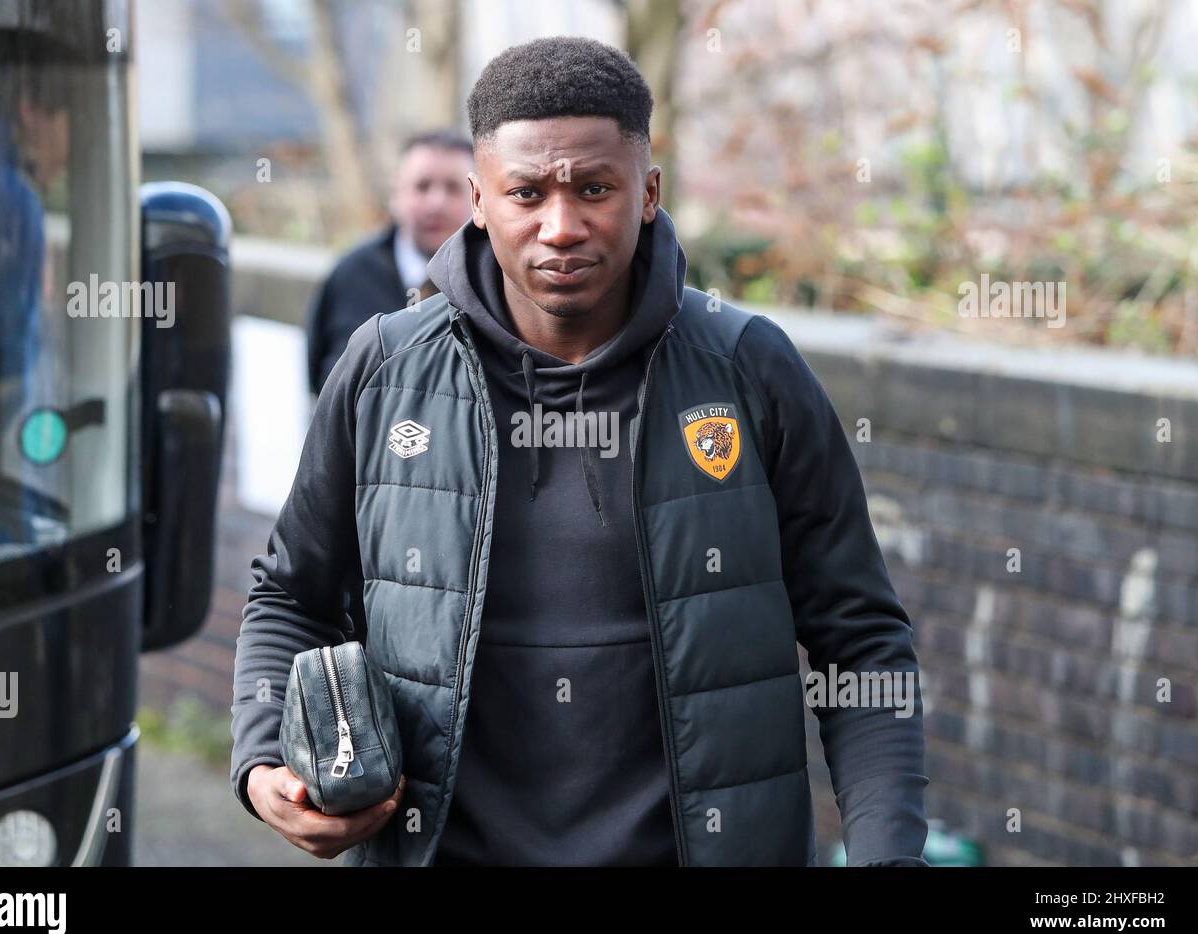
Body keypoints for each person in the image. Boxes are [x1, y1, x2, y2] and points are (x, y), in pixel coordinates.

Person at [230, 35, 929, 867]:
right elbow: (291, 594)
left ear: (647, 192)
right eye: (527, 192)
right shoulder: (386, 371)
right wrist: (265, 762)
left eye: (594, 188)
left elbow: (861, 641)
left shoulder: (748, 368)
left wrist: (888, 853)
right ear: (478, 200)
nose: (562, 226)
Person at [304, 129, 472, 395]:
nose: (436, 203)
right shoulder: (352, 275)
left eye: (453, 188)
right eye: (422, 186)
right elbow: (319, 381)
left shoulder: (500, 281)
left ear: (479, 198)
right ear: (396, 195)